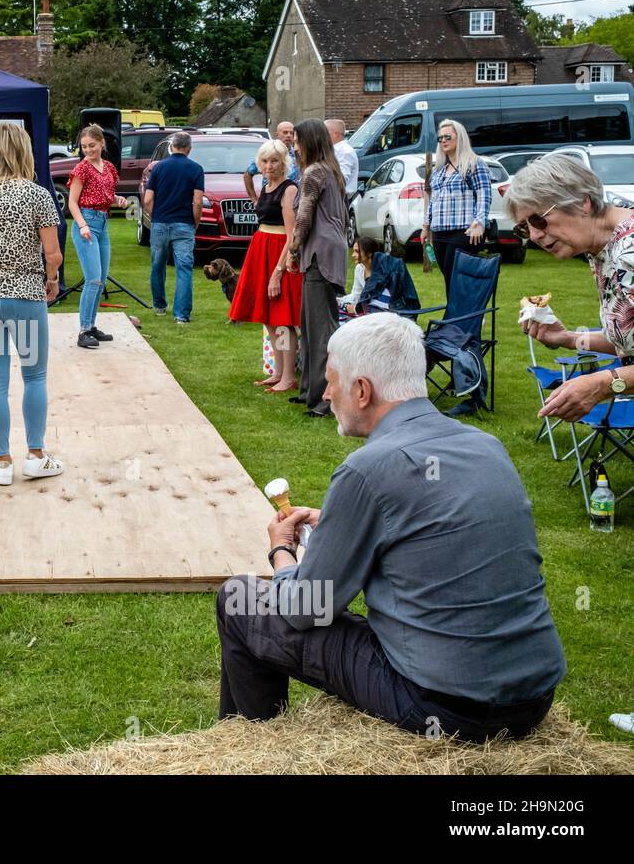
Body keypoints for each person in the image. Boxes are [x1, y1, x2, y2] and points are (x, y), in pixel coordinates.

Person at [216, 311, 566, 742]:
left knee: (240, 599)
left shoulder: (367, 468)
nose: (326, 394)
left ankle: (254, 750)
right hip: (532, 698)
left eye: (331, 381)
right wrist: (339, 525)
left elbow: (306, 608)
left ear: (362, 390)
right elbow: (437, 531)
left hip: (446, 707)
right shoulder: (486, 445)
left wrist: (282, 551)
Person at [0, 122, 65, 485]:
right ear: (24, 151)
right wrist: (51, 280)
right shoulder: (37, 195)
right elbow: (53, 253)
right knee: (34, 377)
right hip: (26, 295)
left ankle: (2, 463)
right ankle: (35, 454)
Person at [509, 153, 634, 420]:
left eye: (538, 220)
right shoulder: (601, 249)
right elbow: (627, 345)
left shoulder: (630, 250)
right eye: (523, 229)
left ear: (582, 202)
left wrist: (603, 383)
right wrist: (567, 339)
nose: (534, 236)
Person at [286, 118, 349, 417]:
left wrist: (293, 249)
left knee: (321, 329)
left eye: (297, 140)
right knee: (310, 327)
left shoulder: (314, 173)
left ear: (308, 141)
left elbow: (304, 217)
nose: (294, 145)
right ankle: (309, 391)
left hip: (319, 255)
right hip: (328, 251)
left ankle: (325, 401)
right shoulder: (330, 170)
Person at [229, 138, 302, 392]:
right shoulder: (267, 186)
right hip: (261, 248)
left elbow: (292, 235)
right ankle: (279, 372)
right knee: (269, 318)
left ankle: (289, 376)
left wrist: (277, 272)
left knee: (282, 319)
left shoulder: (289, 189)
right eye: (265, 161)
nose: (269, 166)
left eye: (274, 161)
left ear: (284, 163)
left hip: (279, 254)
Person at [68, 123, 129, 349]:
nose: (88, 150)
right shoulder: (81, 169)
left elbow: (106, 195)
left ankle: (91, 326)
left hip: (102, 223)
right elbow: (72, 203)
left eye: (91, 145)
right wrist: (83, 225)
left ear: (102, 143)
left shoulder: (110, 167)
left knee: (100, 280)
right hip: (87, 223)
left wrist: (118, 200)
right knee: (92, 278)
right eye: (84, 147)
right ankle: (83, 331)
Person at [423, 118, 492, 298]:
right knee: (448, 276)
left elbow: (484, 194)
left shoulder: (473, 164)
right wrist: (426, 226)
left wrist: (479, 222)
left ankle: (464, 316)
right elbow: (433, 201)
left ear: (459, 138)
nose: (443, 141)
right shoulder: (439, 170)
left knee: (457, 277)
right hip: (439, 232)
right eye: (440, 138)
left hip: (463, 231)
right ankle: (458, 314)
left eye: (448, 137)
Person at [143, 131, 206, 324]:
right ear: (189, 148)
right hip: (184, 224)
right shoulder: (196, 169)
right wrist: (195, 221)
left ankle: (160, 305)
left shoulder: (159, 168)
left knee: (157, 266)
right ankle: (181, 315)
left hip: (160, 223)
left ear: (171, 147)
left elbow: (147, 200)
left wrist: (156, 216)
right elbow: (197, 202)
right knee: (184, 269)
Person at [243, 120, 299, 198]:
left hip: (292, 201)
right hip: (270, 200)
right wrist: (254, 199)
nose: (289, 135)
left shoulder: (298, 154)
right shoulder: (268, 153)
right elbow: (247, 175)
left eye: (291, 133)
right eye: (285, 132)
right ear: (277, 134)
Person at [326, 119, 358, 200]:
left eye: (325, 132)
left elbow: (341, 180)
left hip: (339, 199)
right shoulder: (336, 150)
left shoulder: (345, 152)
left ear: (335, 134)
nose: (321, 135)